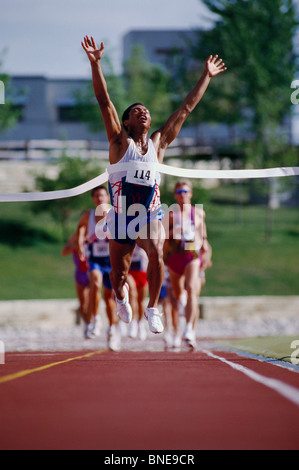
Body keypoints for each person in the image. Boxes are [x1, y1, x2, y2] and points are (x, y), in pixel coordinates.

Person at [81, 35, 226, 335]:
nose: (143, 113)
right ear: (128, 122)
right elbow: (103, 100)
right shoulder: (120, 142)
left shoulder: (159, 143)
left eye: (145, 111)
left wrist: (205, 76)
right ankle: (122, 300)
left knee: (157, 254)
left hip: (149, 215)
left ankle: (152, 308)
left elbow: (185, 109)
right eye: (136, 112)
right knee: (118, 279)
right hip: (122, 217)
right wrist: (96, 63)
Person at [163, 180, 211, 348]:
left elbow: (203, 236)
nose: (182, 194)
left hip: (192, 255)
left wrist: (206, 249)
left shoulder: (198, 213)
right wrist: (174, 232)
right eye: (179, 192)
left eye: (185, 191)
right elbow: (163, 238)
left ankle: (190, 330)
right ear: (175, 195)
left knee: (191, 289)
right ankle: (179, 331)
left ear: (190, 193)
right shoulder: (170, 214)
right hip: (175, 256)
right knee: (177, 296)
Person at [77, 185, 120, 351]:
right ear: (93, 199)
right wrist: (80, 243)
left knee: (109, 299)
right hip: (95, 259)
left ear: (108, 198)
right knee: (95, 284)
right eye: (96, 196)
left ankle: (112, 329)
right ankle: (95, 320)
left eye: (102, 196)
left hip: (111, 261)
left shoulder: (114, 215)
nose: (99, 199)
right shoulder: (87, 216)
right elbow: (80, 228)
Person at [61, 232, 89, 325]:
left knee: (91, 299)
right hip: (80, 272)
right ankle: (87, 324)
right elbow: (64, 252)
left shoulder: (96, 233)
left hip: (92, 270)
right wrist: (75, 245)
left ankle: (92, 323)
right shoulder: (75, 236)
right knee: (83, 303)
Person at [127, 245, 148, 341]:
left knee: (141, 301)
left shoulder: (144, 237)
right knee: (132, 294)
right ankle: (133, 322)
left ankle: (140, 323)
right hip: (130, 272)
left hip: (143, 272)